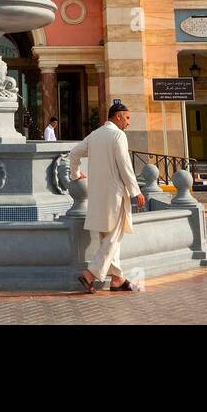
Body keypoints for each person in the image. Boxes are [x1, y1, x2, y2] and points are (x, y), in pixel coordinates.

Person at [69, 101, 144, 293]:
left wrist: (75, 174)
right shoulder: (118, 135)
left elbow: (74, 153)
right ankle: (89, 275)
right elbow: (125, 166)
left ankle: (117, 279)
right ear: (118, 116)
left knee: (108, 240)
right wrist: (136, 191)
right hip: (115, 195)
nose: (128, 123)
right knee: (112, 239)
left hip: (96, 195)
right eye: (127, 118)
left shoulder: (94, 135)